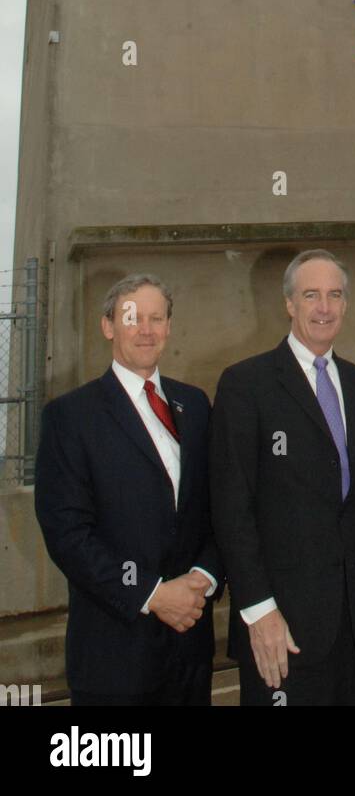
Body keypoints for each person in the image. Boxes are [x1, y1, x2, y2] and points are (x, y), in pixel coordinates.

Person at [209, 249, 355, 706]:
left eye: (334, 295)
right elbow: (232, 508)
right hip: (282, 628)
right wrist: (258, 610)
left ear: (346, 305)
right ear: (289, 304)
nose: (324, 307)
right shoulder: (245, 385)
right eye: (311, 295)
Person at [34, 275, 222, 706]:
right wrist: (152, 595)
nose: (146, 329)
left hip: (190, 650)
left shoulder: (194, 405)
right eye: (133, 317)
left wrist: (203, 577)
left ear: (169, 327)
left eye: (157, 318)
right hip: (114, 658)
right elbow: (68, 534)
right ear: (107, 326)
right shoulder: (70, 417)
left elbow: (216, 507)